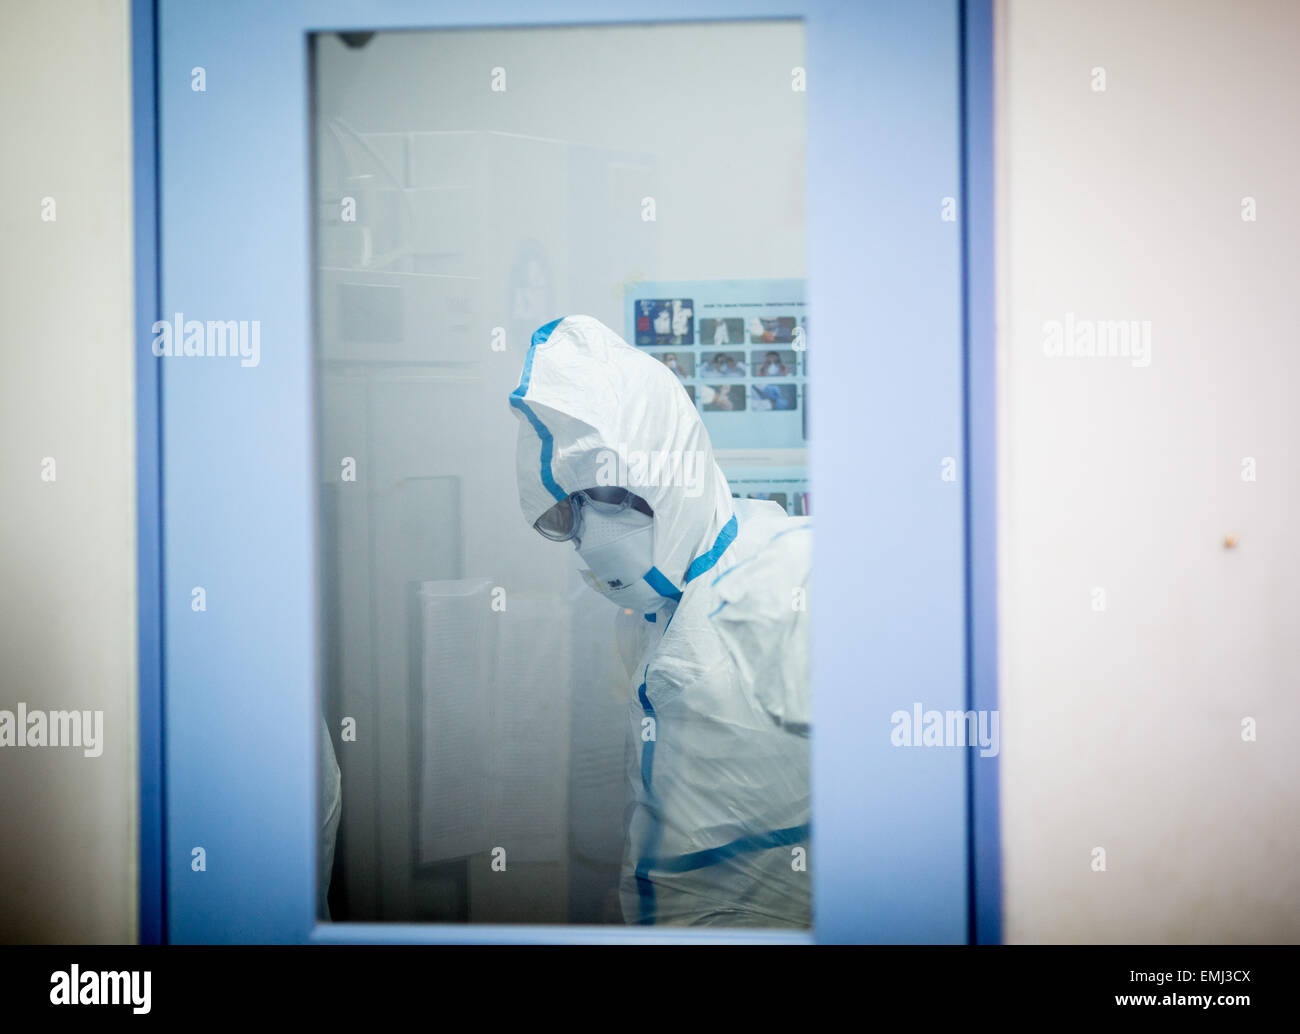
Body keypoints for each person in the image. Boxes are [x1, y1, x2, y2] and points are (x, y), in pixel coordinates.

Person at [508, 315, 811, 928]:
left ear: (672, 468)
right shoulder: (660, 607)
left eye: (614, 495)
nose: (592, 536)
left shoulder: (794, 571)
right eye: (571, 513)